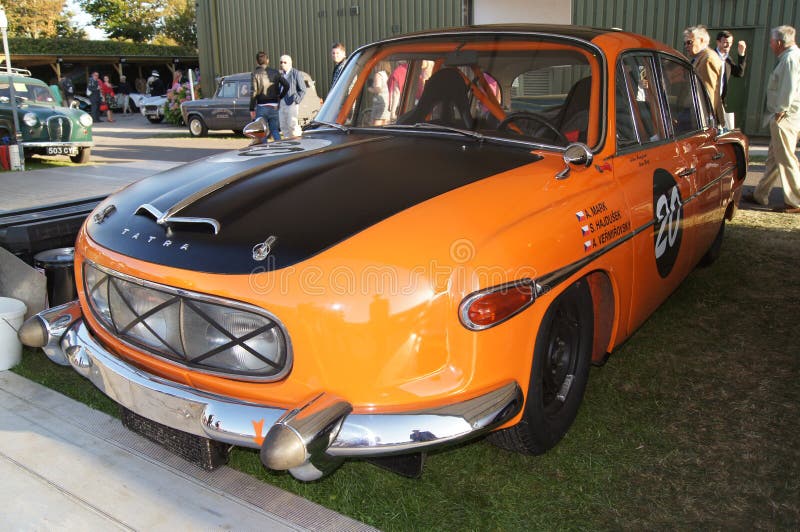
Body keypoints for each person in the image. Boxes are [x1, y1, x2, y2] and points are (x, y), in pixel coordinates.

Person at [747, 25, 800, 213]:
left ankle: (796, 200)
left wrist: (780, 110)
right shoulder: (790, 57)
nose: (770, 45)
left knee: (786, 159)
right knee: (774, 158)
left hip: (784, 116)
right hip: (785, 115)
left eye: (771, 42)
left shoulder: (790, 59)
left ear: (779, 42)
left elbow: (789, 87)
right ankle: (761, 194)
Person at [684, 25, 725, 126]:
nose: (686, 46)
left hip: (702, 118)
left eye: (689, 42)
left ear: (701, 40)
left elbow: (709, 92)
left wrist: (706, 121)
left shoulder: (708, 59)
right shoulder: (699, 59)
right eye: (685, 43)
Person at [250, 51, 288, 142]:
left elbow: (254, 92)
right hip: (274, 106)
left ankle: (266, 151)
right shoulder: (275, 72)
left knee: (262, 132)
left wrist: (251, 108)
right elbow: (286, 85)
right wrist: (280, 97)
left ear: (257, 62)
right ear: (268, 60)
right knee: (275, 130)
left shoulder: (255, 74)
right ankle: (280, 149)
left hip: (261, 107)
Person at [715, 30, 747, 107]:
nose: (728, 45)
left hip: (720, 101)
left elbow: (739, 73)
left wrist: (741, 54)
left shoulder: (727, 59)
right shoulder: (711, 56)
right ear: (718, 42)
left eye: (730, 43)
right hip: (708, 98)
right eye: (725, 42)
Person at [278, 55, 307, 138]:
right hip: (282, 103)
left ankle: (298, 143)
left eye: (285, 62)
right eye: (281, 62)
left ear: (290, 63)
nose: (282, 64)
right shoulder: (280, 74)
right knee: (283, 125)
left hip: (291, 103)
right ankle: (289, 143)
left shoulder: (296, 73)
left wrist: (296, 100)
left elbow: (303, 89)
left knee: (292, 125)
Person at [368, 61, 391, 125]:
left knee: (376, 125)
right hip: (387, 102)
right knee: (385, 125)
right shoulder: (386, 74)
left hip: (379, 103)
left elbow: (378, 89)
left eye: (376, 65)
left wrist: (370, 88)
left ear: (379, 65)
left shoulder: (378, 74)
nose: (374, 68)